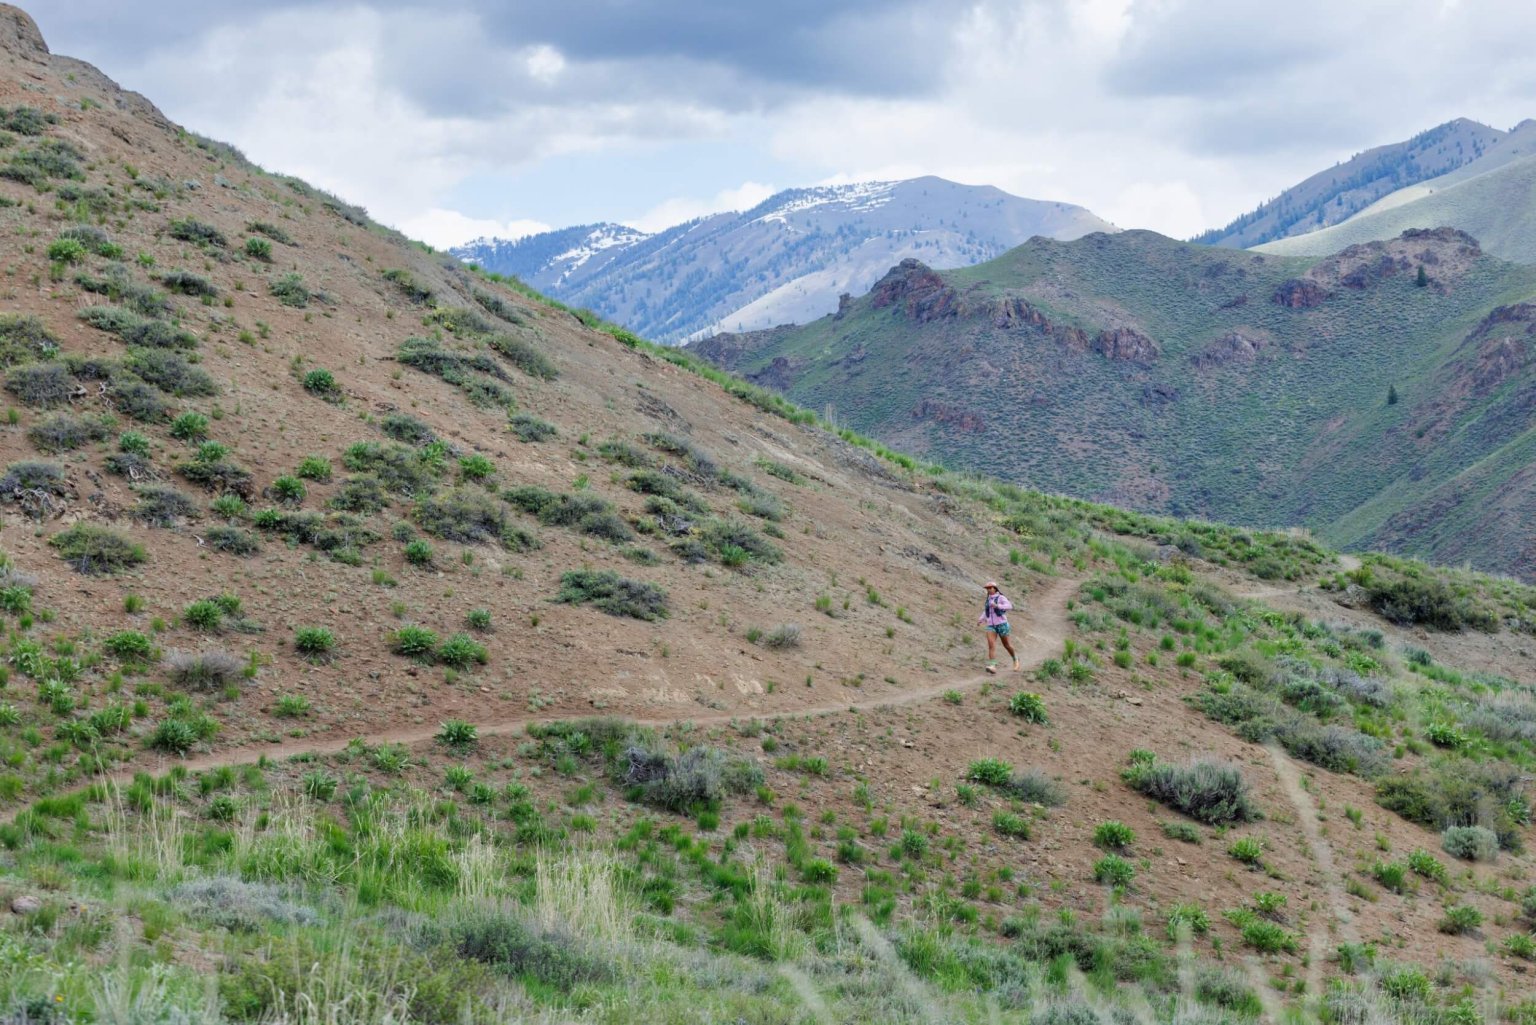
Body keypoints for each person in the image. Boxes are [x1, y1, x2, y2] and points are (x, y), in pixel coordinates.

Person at [978, 581, 1020, 673]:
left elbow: (1009, 606)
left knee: (1007, 645)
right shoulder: (988, 599)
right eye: (987, 588)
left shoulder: (1001, 597)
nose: (988, 590)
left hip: (1002, 624)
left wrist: (997, 605)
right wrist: (981, 619)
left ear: (995, 588)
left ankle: (1016, 659)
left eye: (990, 588)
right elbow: (986, 611)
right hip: (991, 625)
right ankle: (992, 666)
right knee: (991, 645)